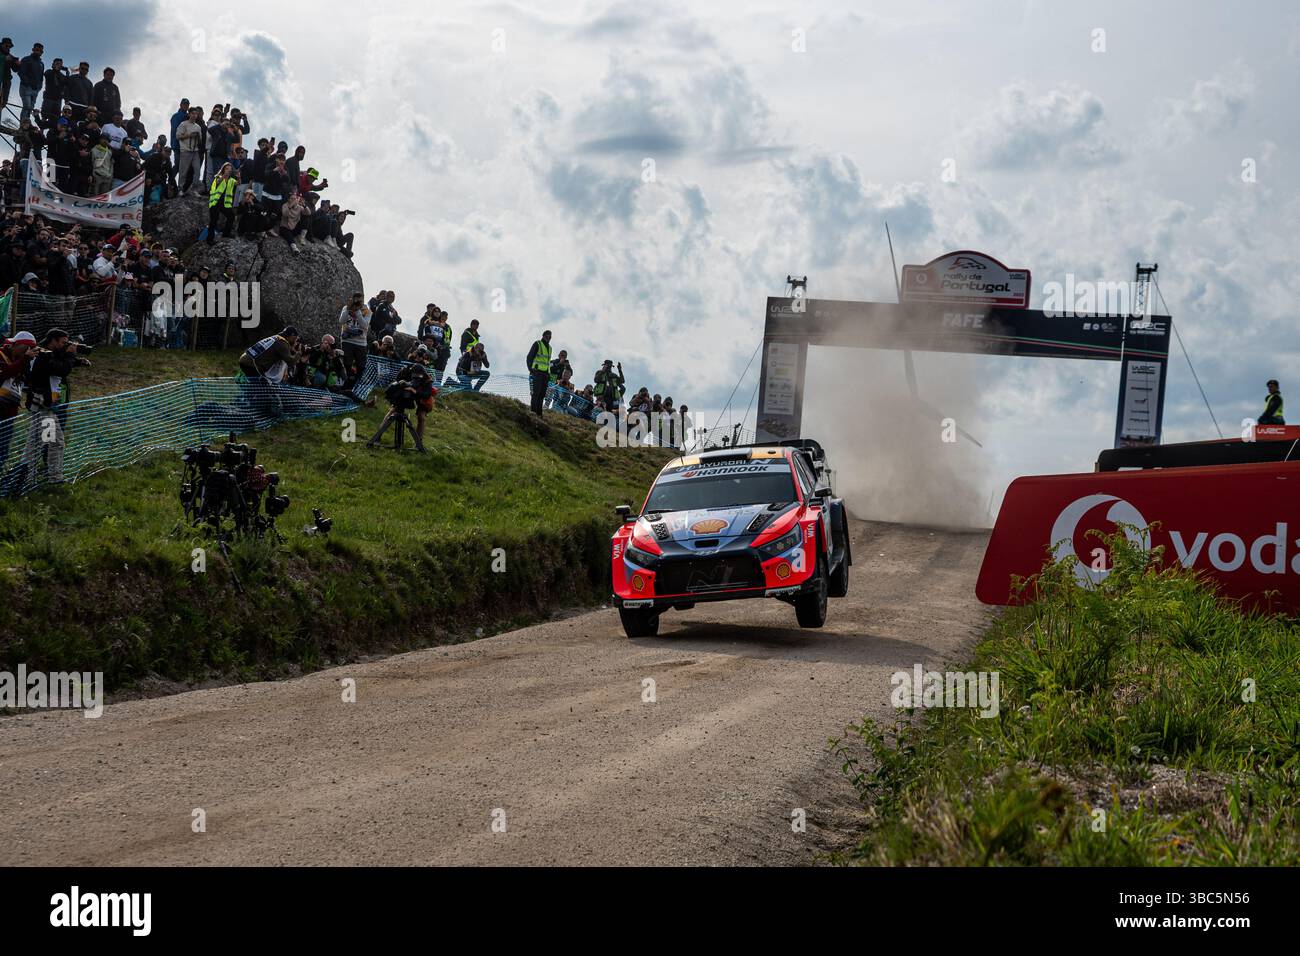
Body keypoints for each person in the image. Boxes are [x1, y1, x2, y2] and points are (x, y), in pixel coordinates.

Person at [18, 328, 90, 486]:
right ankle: (53, 478)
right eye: (63, 342)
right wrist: (71, 355)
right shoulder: (42, 354)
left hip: (42, 406)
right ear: (53, 341)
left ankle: (26, 477)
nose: (65, 345)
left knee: (37, 443)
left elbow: (58, 363)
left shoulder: (46, 352)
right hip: (44, 408)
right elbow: (60, 368)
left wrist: (77, 361)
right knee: (55, 442)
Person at [0, 330, 37, 485]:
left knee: (3, 450)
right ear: (19, 346)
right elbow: (4, 373)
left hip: (10, 411)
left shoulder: (23, 361)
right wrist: (24, 360)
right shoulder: (1, 355)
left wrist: (28, 362)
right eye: (25, 350)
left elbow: (28, 380)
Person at [338, 292, 371, 382]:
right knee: (347, 363)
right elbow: (341, 321)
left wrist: (358, 312)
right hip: (347, 340)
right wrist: (348, 309)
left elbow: (365, 325)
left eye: (360, 300)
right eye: (356, 299)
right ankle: (347, 381)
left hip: (361, 342)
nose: (357, 302)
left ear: (363, 300)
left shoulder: (367, 311)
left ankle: (358, 382)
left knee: (361, 365)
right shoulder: (346, 308)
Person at [206, 162, 237, 243]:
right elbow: (219, 181)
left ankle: (226, 234)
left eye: (230, 169)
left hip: (224, 204)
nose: (228, 170)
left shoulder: (231, 180)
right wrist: (224, 175)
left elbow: (237, 183)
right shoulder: (218, 177)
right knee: (214, 220)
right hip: (215, 202)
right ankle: (209, 239)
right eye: (227, 169)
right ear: (223, 169)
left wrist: (239, 177)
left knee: (231, 215)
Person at [526, 329, 553, 417]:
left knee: (542, 395)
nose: (549, 338)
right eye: (548, 336)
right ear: (543, 336)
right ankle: (533, 413)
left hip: (545, 374)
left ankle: (539, 414)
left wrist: (548, 374)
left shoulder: (550, 348)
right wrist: (531, 370)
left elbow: (547, 362)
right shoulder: (537, 344)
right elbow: (529, 357)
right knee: (536, 394)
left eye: (550, 336)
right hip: (537, 373)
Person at [17, 42, 43, 124]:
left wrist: (39, 87)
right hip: (26, 87)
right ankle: (22, 126)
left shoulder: (41, 63)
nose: (38, 52)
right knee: (27, 107)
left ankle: (26, 126)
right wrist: (28, 83)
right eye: (36, 50)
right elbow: (21, 73)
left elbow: (41, 77)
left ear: (42, 52)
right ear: (33, 50)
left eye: (40, 51)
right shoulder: (26, 59)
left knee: (31, 108)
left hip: (36, 89)